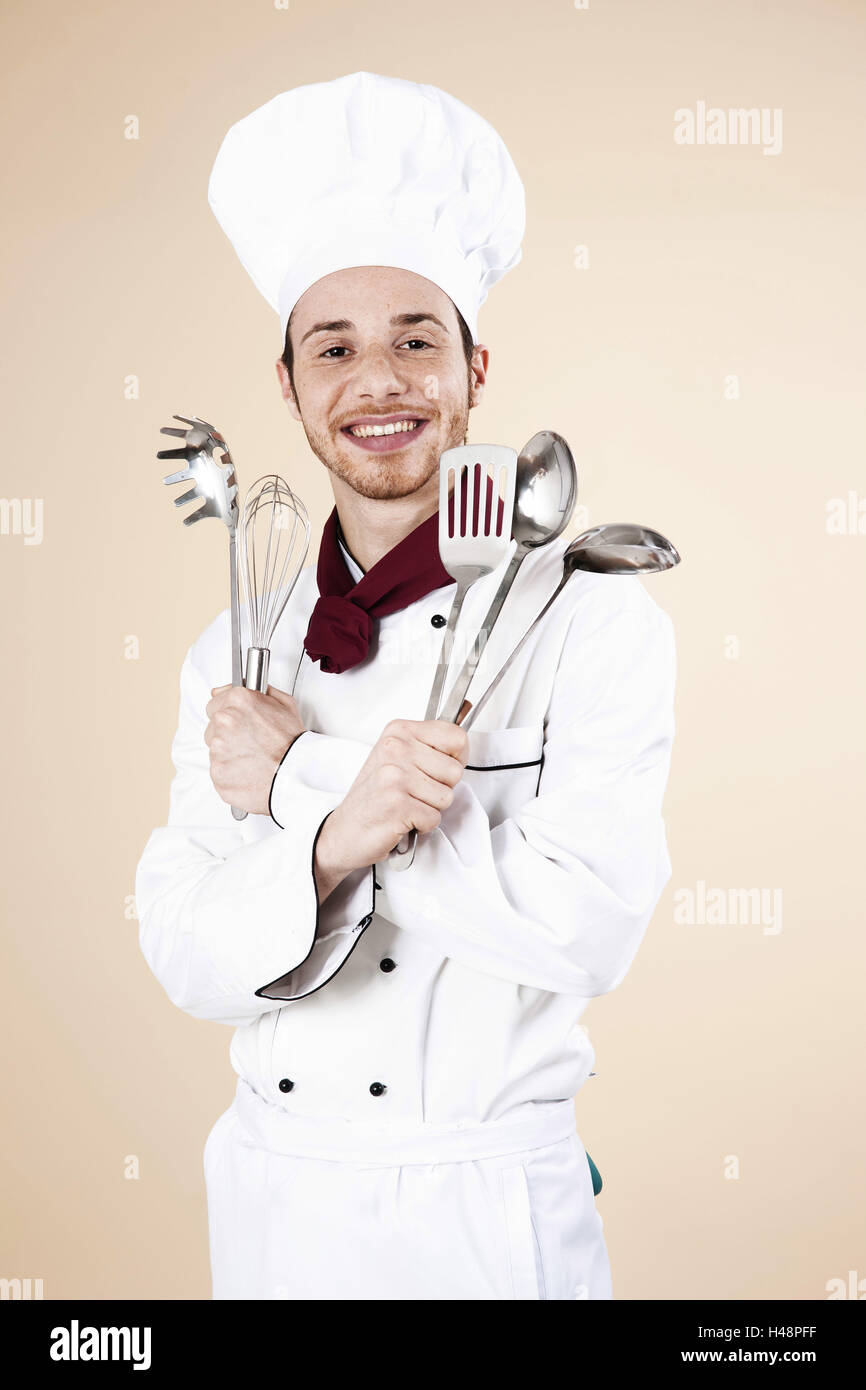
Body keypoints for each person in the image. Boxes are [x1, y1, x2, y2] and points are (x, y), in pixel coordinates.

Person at [135, 71, 676, 1301]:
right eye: (333, 348)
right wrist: (331, 835)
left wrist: (292, 782)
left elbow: (583, 930)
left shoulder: (589, 615)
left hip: (481, 1209)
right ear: (288, 386)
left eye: (414, 341)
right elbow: (184, 949)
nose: (376, 382)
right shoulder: (231, 650)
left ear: (474, 368)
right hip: (275, 1201)